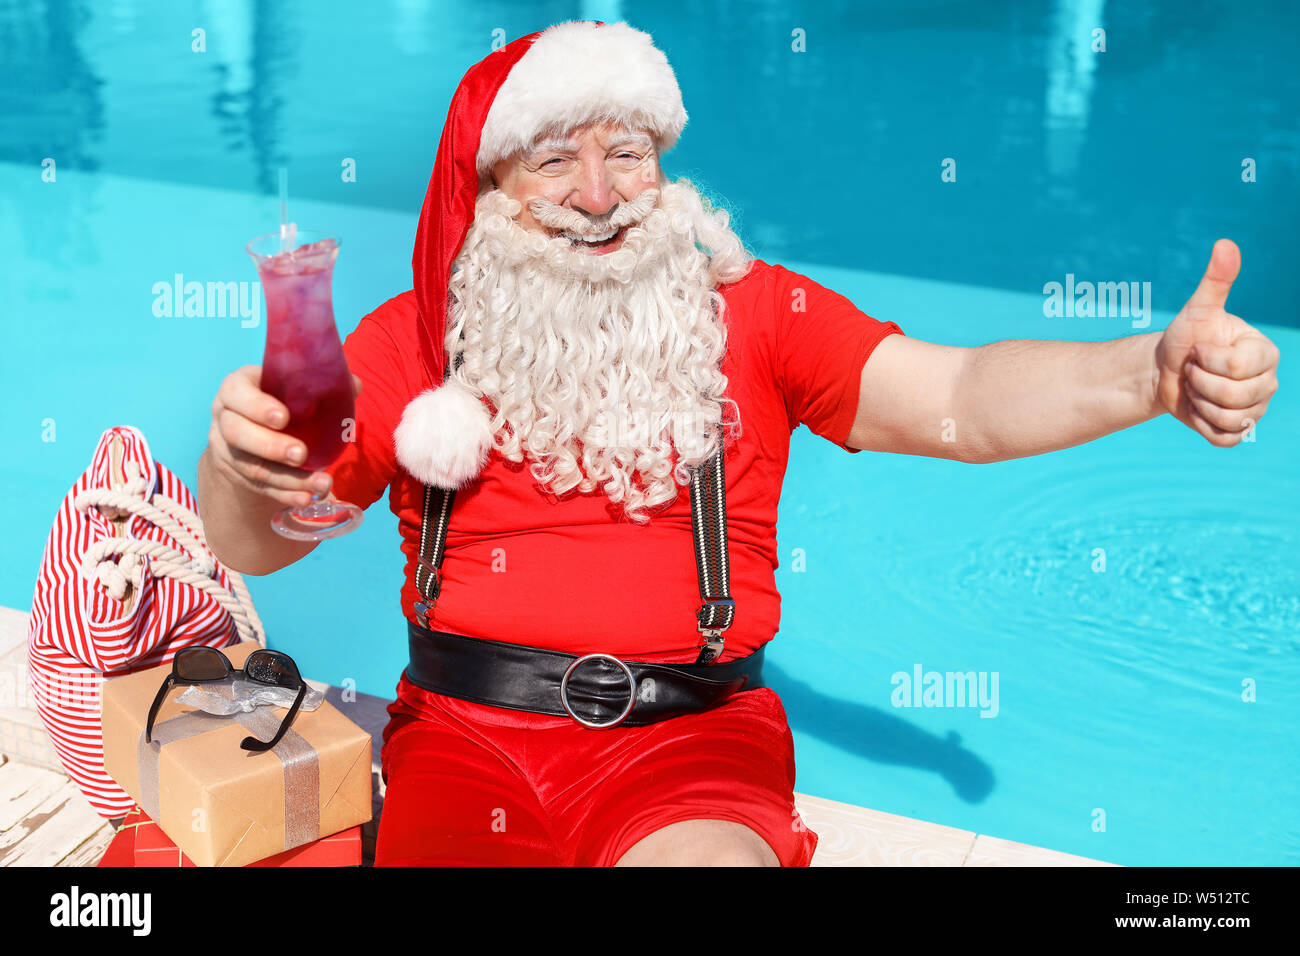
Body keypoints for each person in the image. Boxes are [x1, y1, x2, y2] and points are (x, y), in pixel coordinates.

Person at [196, 21, 1280, 866]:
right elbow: (257, 541)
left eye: (627, 155)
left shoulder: (756, 316)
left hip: (687, 748)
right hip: (464, 736)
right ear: (484, 192)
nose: (596, 197)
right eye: (551, 163)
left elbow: (956, 393)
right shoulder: (416, 342)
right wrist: (239, 470)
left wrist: (1145, 372)